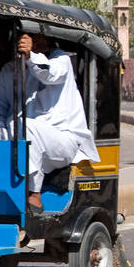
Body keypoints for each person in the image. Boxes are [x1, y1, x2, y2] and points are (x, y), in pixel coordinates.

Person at [10, 32, 101, 210]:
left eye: (38, 38)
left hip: (63, 141)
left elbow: (50, 74)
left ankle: (34, 193)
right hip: (37, 142)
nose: (35, 42)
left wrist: (30, 56)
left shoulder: (61, 60)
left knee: (26, 126)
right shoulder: (20, 69)